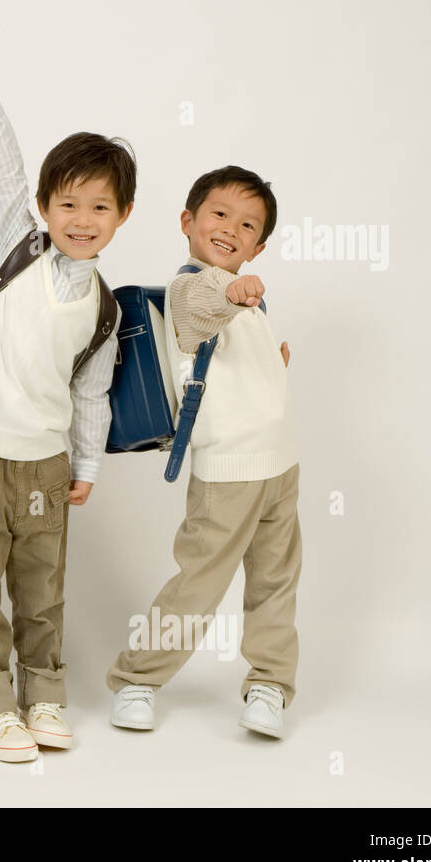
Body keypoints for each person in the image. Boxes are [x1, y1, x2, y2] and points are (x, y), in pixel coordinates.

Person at [0, 24, 135, 761]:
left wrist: (86, 466)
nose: (82, 221)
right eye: (69, 204)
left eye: (100, 208)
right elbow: (1, 163)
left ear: (121, 217)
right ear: (45, 205)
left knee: (43, 591)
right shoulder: (14, 242)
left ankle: (45, 695)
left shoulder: (105, 307)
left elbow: (91, 391)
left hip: (45, 468)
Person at [107, 166, 302, 739]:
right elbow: (206, 307)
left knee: (275, 582)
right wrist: (237, 290)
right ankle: (136, 679)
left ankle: (269, 684)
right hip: (229, 473)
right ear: (188, 221)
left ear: (259, 245)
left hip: (280, 465)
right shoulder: (194, 286)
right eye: (219, 214)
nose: (230, 230)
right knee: (198, 586)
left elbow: (234, 365)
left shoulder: (255, 307)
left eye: (247, 225)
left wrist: (273, 367)